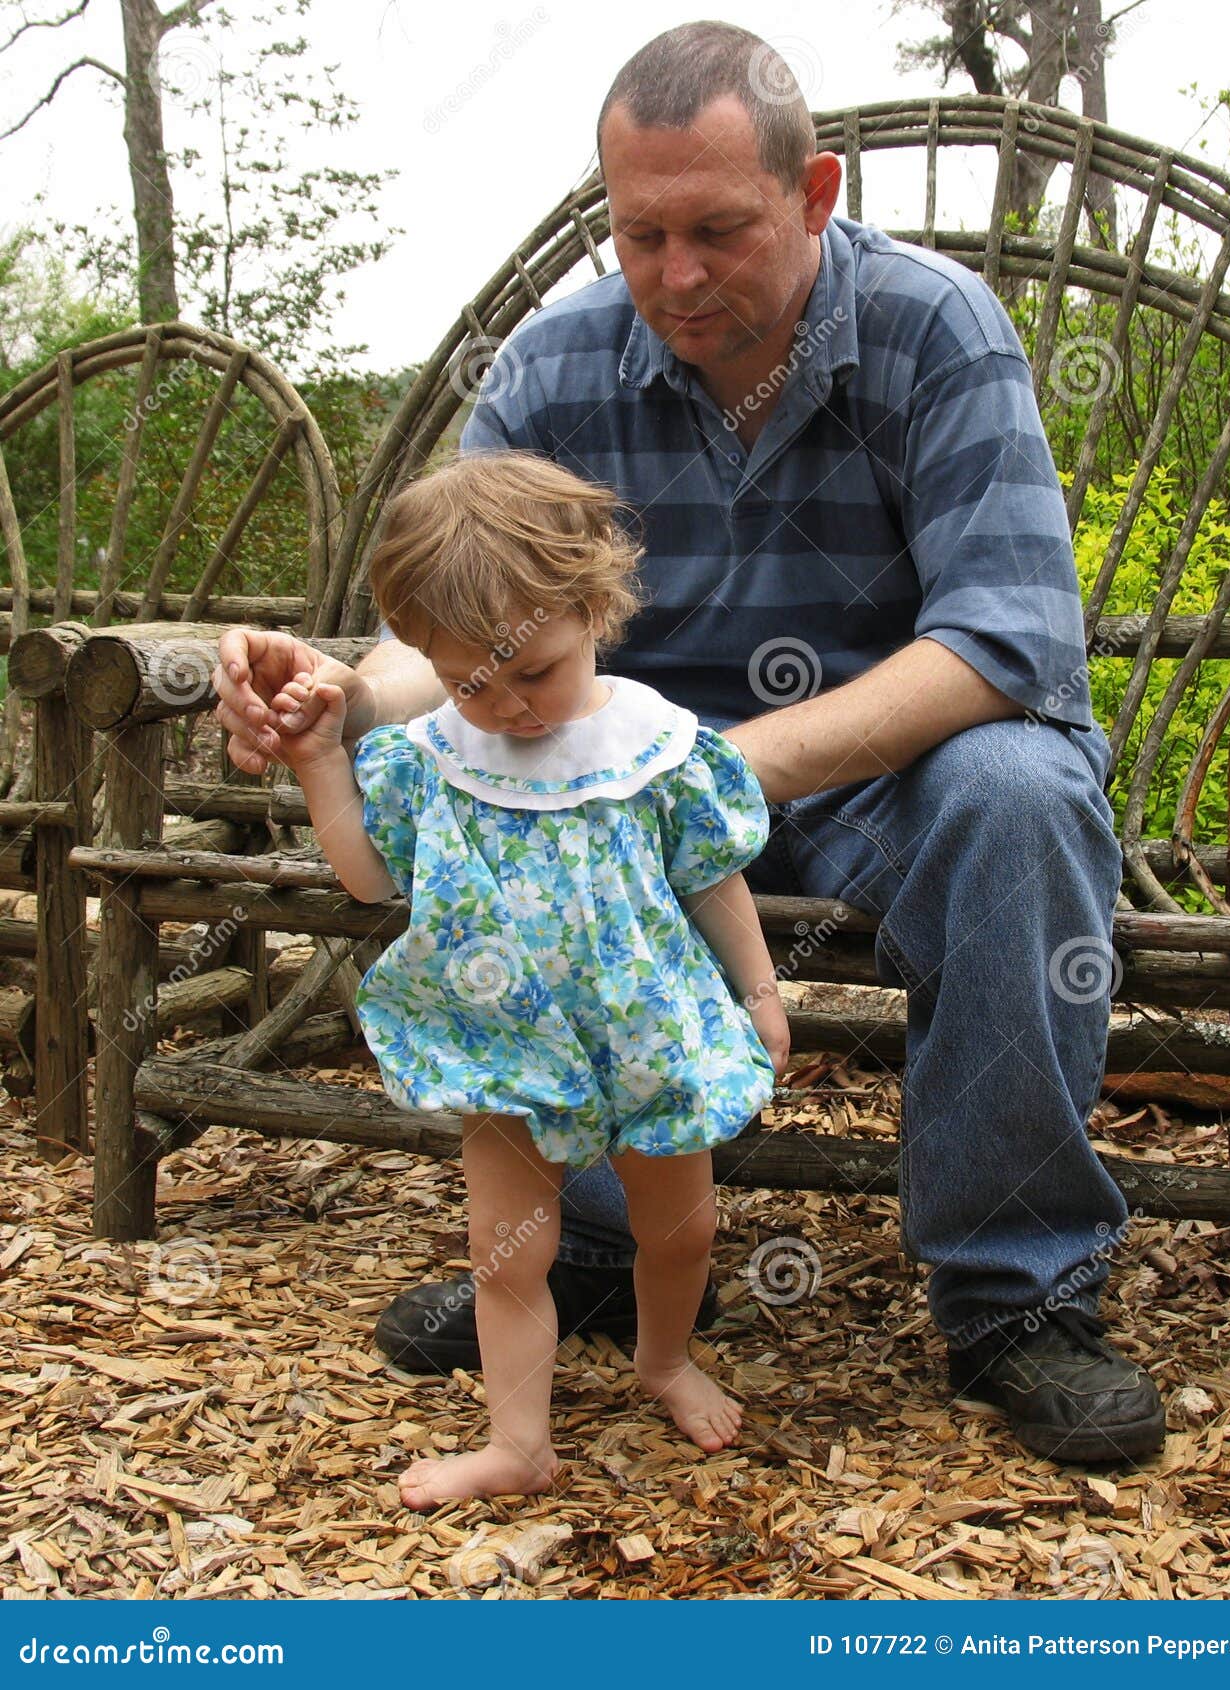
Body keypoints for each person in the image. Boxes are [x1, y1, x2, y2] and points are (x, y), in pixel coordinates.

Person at [214, 21, 1165, 1464]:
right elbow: (452, 630)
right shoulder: (552, 367)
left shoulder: (936, 327)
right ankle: (595, 1244)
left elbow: (1003, 641)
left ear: (814, 193)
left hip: (878, 774)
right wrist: (340, 697)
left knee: (1023, 791)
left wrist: (697, 771)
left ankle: (1013, 1294)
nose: (673, 276)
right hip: (609, 771)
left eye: (715, 230)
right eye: (638, 233)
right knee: (539, 810)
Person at [273, 451, 785, 1504]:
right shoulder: (431, 758)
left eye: (534, 670)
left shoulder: (651, 742)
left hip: (649, 1032)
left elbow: (711, 873)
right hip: (501, 1042)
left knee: (680, 1228)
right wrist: (323, 760)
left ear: (593, 607)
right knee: (506, 1255)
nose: (506, 706)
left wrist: (762, 991)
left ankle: (663, 1360)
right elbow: (368, 878)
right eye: (471, 679)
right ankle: (517, 1444)